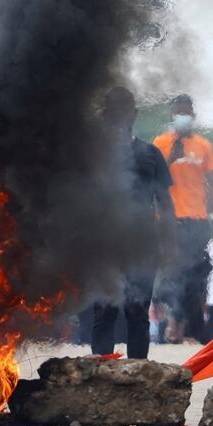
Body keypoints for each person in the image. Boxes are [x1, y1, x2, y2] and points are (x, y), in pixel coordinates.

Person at [90, 86, 176, 359]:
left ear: (134, 114)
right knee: (105, 310)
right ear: (106, 115)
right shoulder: (94, 155)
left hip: (143, 244)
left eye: (124, 112)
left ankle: (139, 373)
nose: (119, 117)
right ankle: (99, 373)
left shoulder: (150, 153)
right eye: (114, 113)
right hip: (104, 243)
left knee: (137, 311)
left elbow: (165, 202)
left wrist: (169, 241)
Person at [152, 94, 213, 344]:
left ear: (192, 116)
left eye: (187, 112)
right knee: (172, 275)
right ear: (172, 115)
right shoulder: (160, 143)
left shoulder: (204, 146)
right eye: (178, 112)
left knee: (197, 276)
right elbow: (153, 178)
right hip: (170, 220)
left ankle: (190, 329)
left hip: (198, 220)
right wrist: (173, 155)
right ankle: (172, 324)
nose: (183, 116)